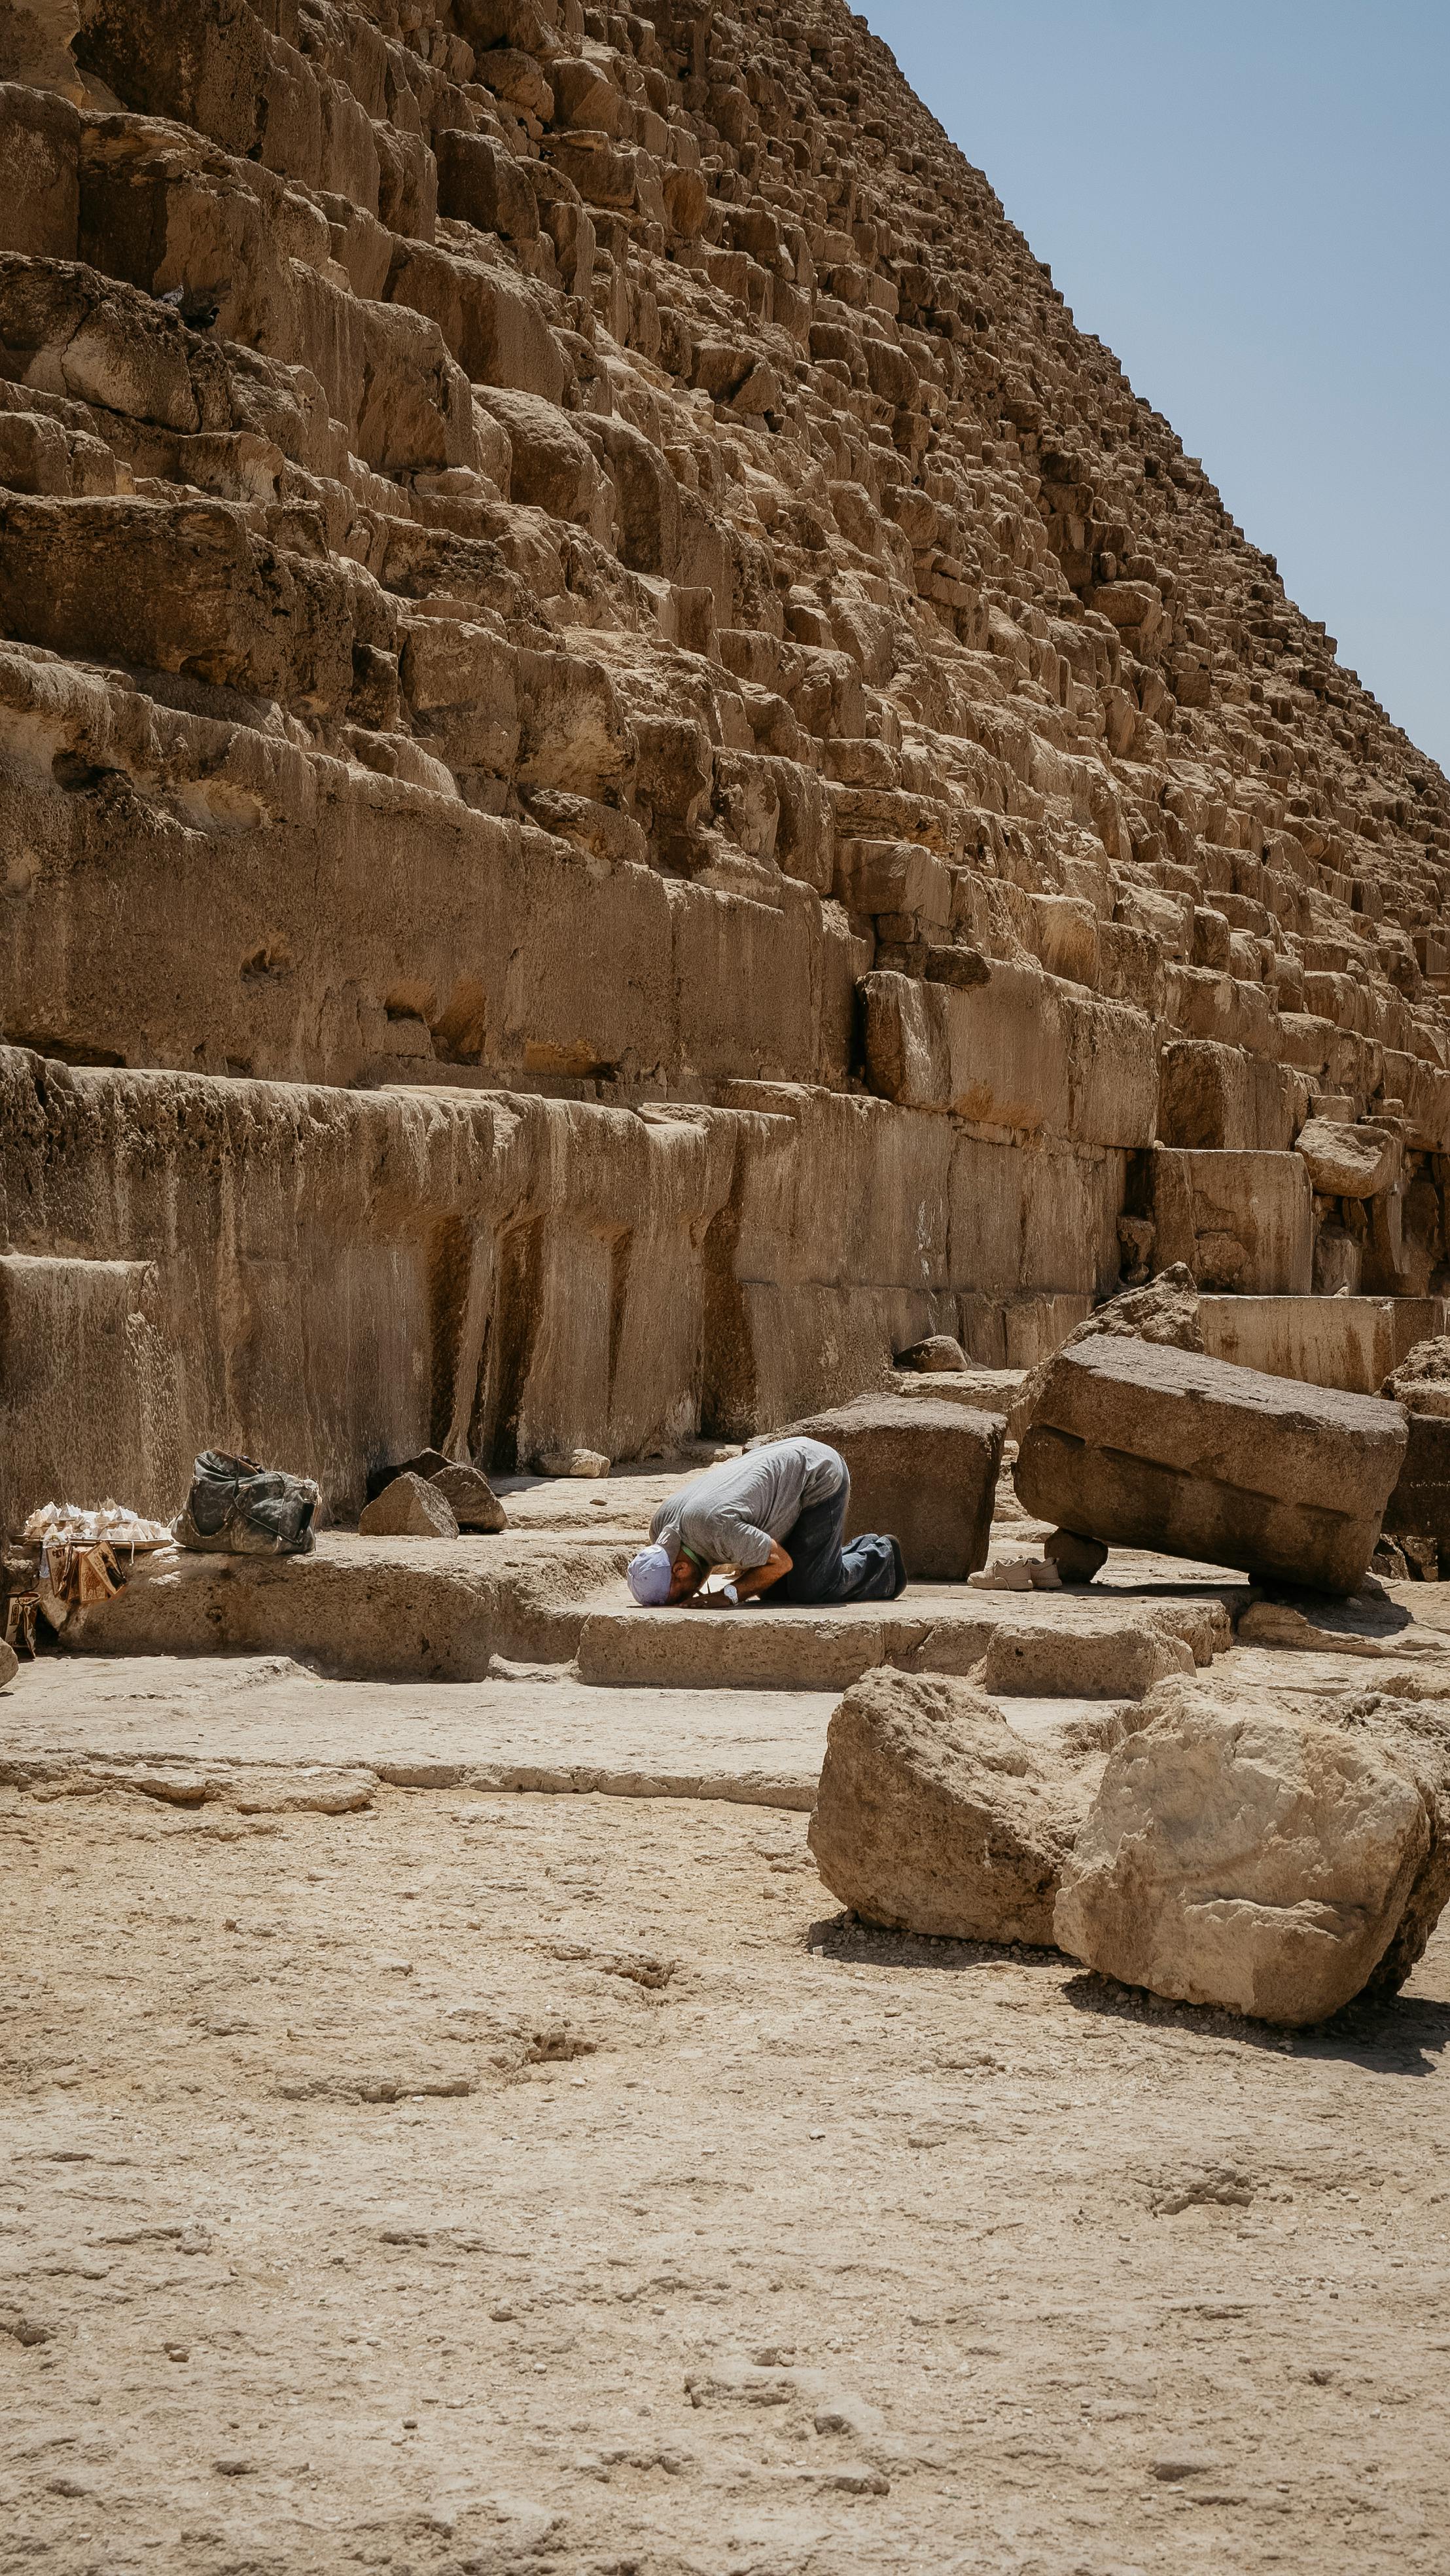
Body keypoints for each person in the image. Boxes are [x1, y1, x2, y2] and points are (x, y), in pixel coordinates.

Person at [626, 1436, 905, 1608]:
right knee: (772, 1590)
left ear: (680, 1568)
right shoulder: (660, 1526)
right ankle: (833, 1559)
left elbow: (780, 1562)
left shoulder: (714, 1529)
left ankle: (882, 1558)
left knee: (814, 1589)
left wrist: (728, 1595)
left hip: (817, 1475)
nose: (687, 1600)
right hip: (784, 1483)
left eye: (678, 1597)